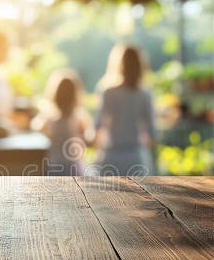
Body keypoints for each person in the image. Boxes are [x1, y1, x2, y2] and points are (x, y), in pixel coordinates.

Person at [93, 44, 156, 176]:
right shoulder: (144, 94)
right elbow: (151, 132)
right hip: (136, 158)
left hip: (111, 157)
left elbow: (98, 127)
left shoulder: (108, 92)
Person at [42, 70, 93, 176]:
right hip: (74, 167)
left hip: (54, 166)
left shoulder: (49, 118)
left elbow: (39, 129)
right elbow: (89, 141)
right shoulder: (79, 117)